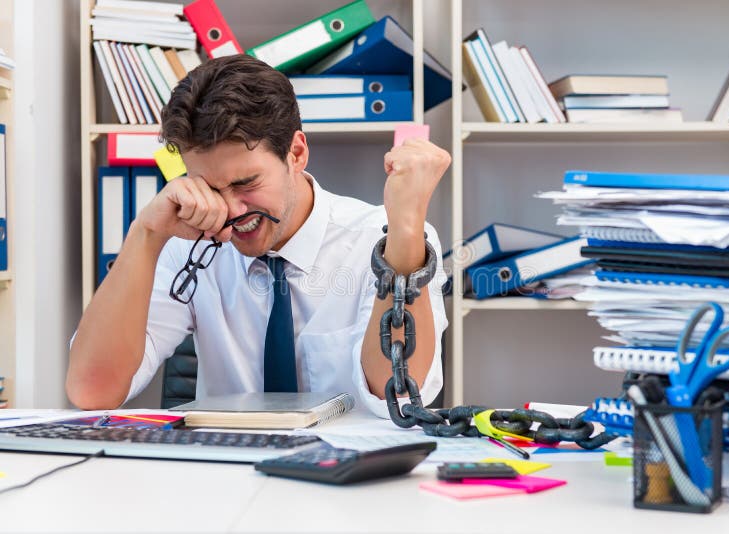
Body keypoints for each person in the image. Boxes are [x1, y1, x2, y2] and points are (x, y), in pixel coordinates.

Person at [66, 55, 451, 417]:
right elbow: (92, 391)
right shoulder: (185, 244)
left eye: (246, 183)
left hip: (354, 478)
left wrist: (405, 228)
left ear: (296, 154)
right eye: (209, 187)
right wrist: (146, 233)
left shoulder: (386, 240)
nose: (231, 210)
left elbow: (397, 390)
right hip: (226, 477)